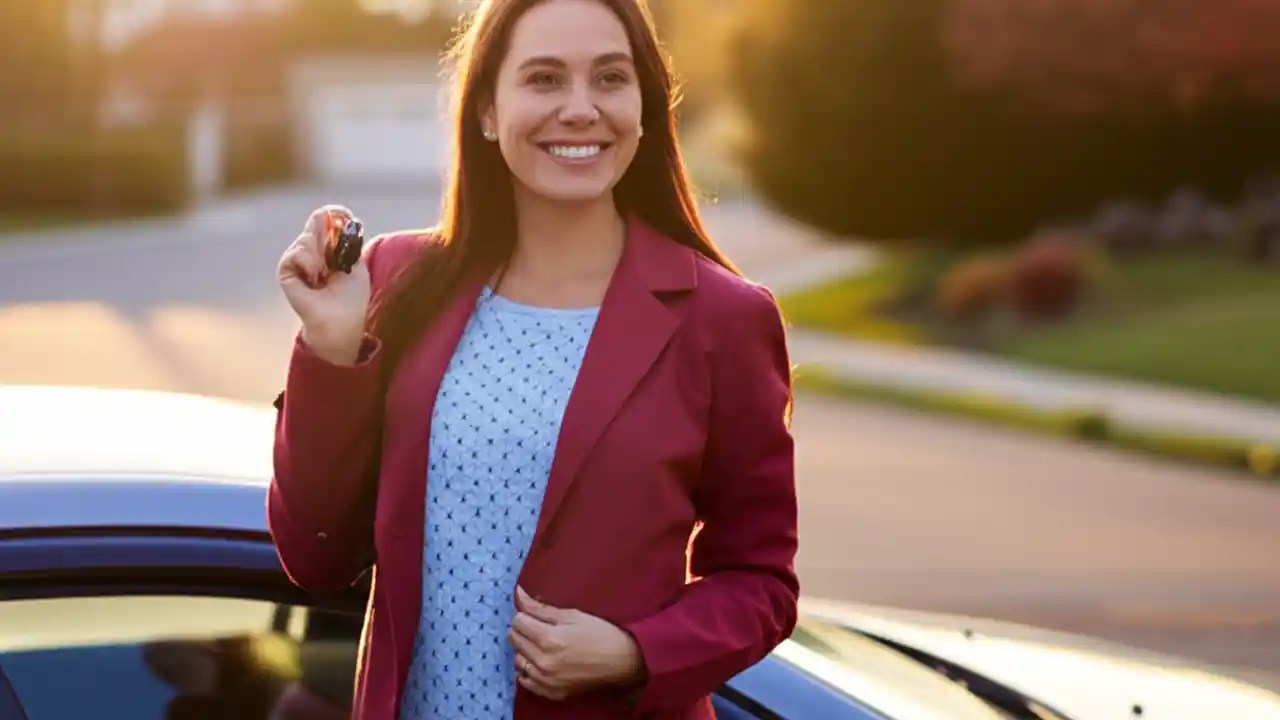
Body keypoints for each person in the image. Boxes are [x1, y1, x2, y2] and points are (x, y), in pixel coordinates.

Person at [268, 0, 799, 718]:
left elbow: (761, 580)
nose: (580, 109)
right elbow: (316, 555)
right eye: (544, 80)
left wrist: (639, 651)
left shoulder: (723, 320)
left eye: (610, 79)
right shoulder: (398, 280)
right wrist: (331, 354)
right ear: (487, 110)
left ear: (643, 107)